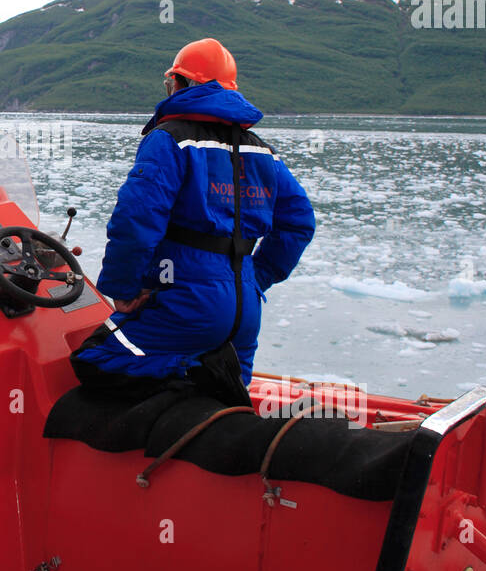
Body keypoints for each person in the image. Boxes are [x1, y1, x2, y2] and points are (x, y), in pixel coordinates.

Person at [70, 38, 315, 405]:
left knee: (95, 361)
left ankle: (149, 440)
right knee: (226, 396)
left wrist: (123, 289)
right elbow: (299, 223)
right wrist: (253, 277)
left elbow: (136, 220)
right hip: (244, 309)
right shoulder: (262, 149)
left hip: (188, 300)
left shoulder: (169, 140)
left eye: (172, 83)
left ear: (181, 85)